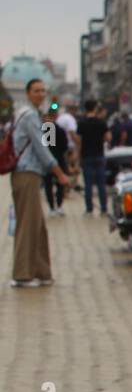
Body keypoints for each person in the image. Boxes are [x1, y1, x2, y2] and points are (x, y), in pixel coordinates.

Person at [8, 79, 72, 287]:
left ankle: (41, 271)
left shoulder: (38, 117)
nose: (41, 94)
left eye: (43, 90)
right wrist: (60, 173)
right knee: (28, 224)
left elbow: (48, 144)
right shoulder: (30, 117)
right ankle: (22, 274)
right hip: (27, 171)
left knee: (38, 225)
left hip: (35, 171)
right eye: (36, 91)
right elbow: (43, 148)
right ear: (27, 93)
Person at [76, 98, 110, 215]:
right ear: (95, 108)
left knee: (88, 184)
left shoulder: (81, 123)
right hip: (99, 155)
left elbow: (78, 141)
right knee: (101, 183)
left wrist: (78, 156)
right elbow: (108, 138)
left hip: (86, 156)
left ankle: (89, 208)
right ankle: (104, 208)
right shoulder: (101, 122)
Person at [42, 108, 70, 216]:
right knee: (60, 185)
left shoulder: (44, 130)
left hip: (46, 162)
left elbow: (43, 147)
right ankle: (59, 206)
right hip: (59, 161)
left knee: (48, 185)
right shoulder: (60, 130)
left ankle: (51, 208)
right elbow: (65, 147)